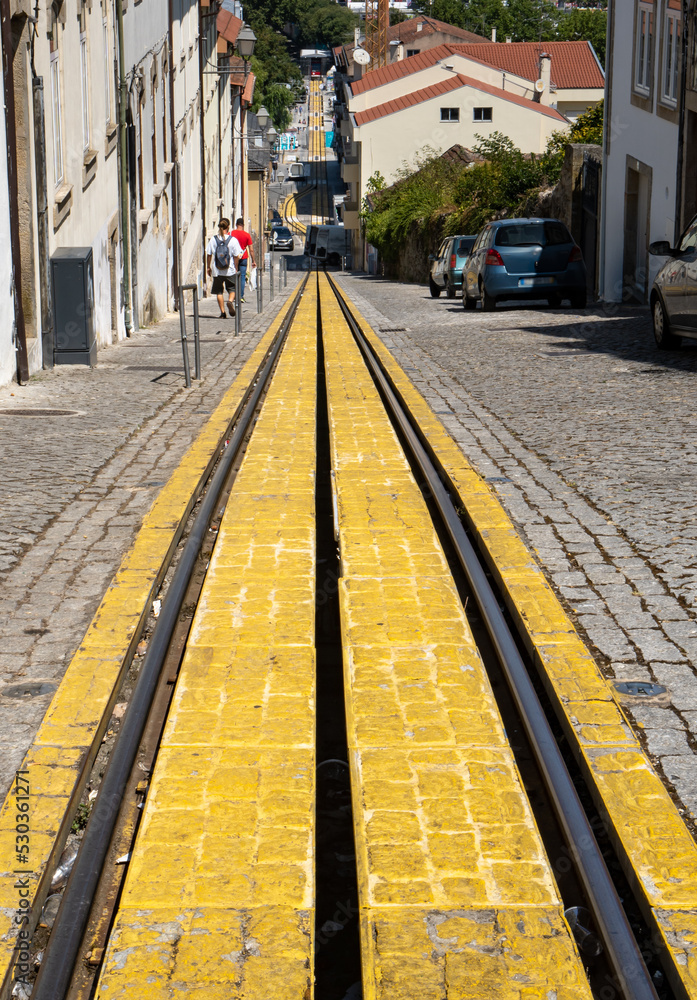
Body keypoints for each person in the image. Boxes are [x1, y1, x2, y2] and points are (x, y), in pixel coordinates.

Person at [206, 218, 242, 318]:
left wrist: (208, 267)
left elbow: (209, 254)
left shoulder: (213, 239)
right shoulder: (233, 240)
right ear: (228, 227)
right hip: (229, 270)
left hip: (217, 270)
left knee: (219, 291)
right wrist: (236, 267)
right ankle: (230, 301)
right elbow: (236, 256)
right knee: (232, 289)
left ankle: (222, 313)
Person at [230, 217, 255, 303]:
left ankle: (232, 296)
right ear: (243, 225)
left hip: (234, 257)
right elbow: (251, 249)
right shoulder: (247, 235)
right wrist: (253, 261)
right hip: (244, 257)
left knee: (233, 276)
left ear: (236, 224)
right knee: (242, 277)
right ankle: (240, 296)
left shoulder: (231, 234)